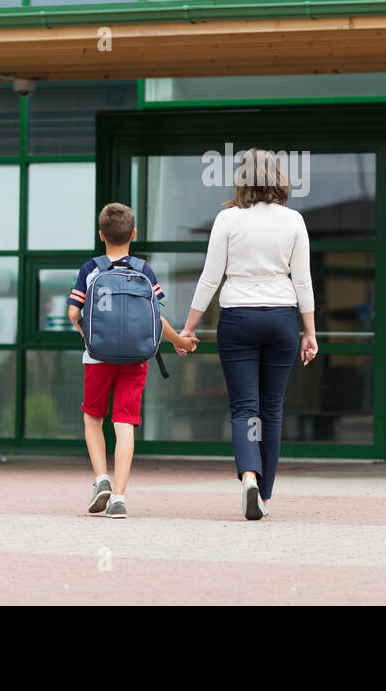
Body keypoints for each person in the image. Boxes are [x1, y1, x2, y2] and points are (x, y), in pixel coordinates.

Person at [179, 148, 317, 521]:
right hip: (282, 318)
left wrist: (189, 327)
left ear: (242, 179)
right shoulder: (294, 221)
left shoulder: (227, 220)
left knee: (244, 409)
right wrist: (310, 332)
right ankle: (265, 497)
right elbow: (302, 281)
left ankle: (249, 479)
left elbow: (210, 278)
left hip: (238, 317)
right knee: (271, 410)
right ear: (278, 177)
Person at [68, 202, 197, 519]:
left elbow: (73, 312)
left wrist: (88, 334)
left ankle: (101, 480)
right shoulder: (144, 271)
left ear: (101, 235)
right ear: (134, 234)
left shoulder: (90, 269)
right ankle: (120, 499)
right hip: (136, 359)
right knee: (124, 423)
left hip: (97, 358)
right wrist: (181, 342)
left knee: (93, 418)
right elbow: (157, 318)